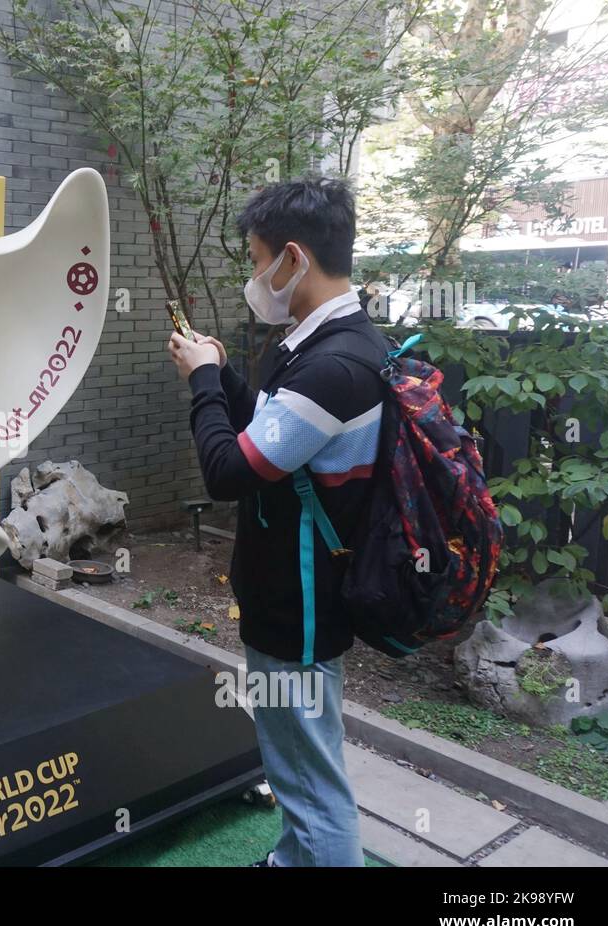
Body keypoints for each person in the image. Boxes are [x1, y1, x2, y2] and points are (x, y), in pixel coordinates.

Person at [166, 177, 389, 867]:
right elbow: (272, 434)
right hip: (291, 594)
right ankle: (294, 857)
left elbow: (230, 473)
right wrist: (226, 376)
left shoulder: (336, 367)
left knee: (310, 778)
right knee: (296, 757)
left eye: (258, 258)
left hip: (301, 602)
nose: (254, 276)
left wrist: (203, 381)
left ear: (292, 258)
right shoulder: (324, 343)